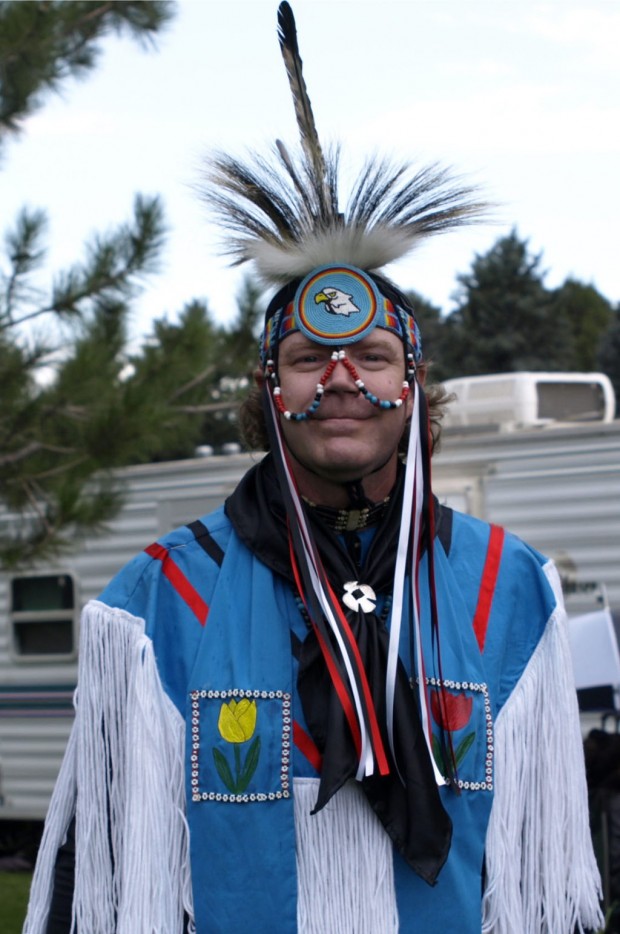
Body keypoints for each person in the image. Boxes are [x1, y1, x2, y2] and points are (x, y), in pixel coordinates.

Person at [25, 4, 602, 933]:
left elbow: (545, 881)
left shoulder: (507, 590)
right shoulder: (162, 599)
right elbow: (99, 879)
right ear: (269, 387)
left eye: (371, 357)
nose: (340, 381)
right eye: (307, 360)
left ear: (412, 386)